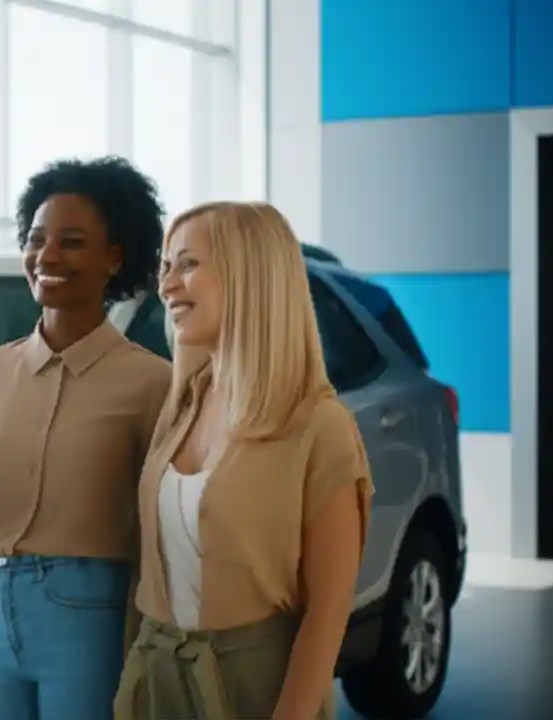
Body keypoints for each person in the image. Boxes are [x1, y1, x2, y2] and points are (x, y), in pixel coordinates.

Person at [0, 156, 173, 719]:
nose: (46, 256)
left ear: (114, 258)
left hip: (91, 617)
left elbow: (161, 534)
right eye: (36, 238)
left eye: (72, 242)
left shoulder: (152, 383)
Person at [113, 201, 375, 720]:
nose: (166, 287)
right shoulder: (181, 405)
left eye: (187, 264)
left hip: (252, 685)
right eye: (165, 268)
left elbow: (326, 614)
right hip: (155, 676)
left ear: (249, 275)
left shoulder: (319, 427)